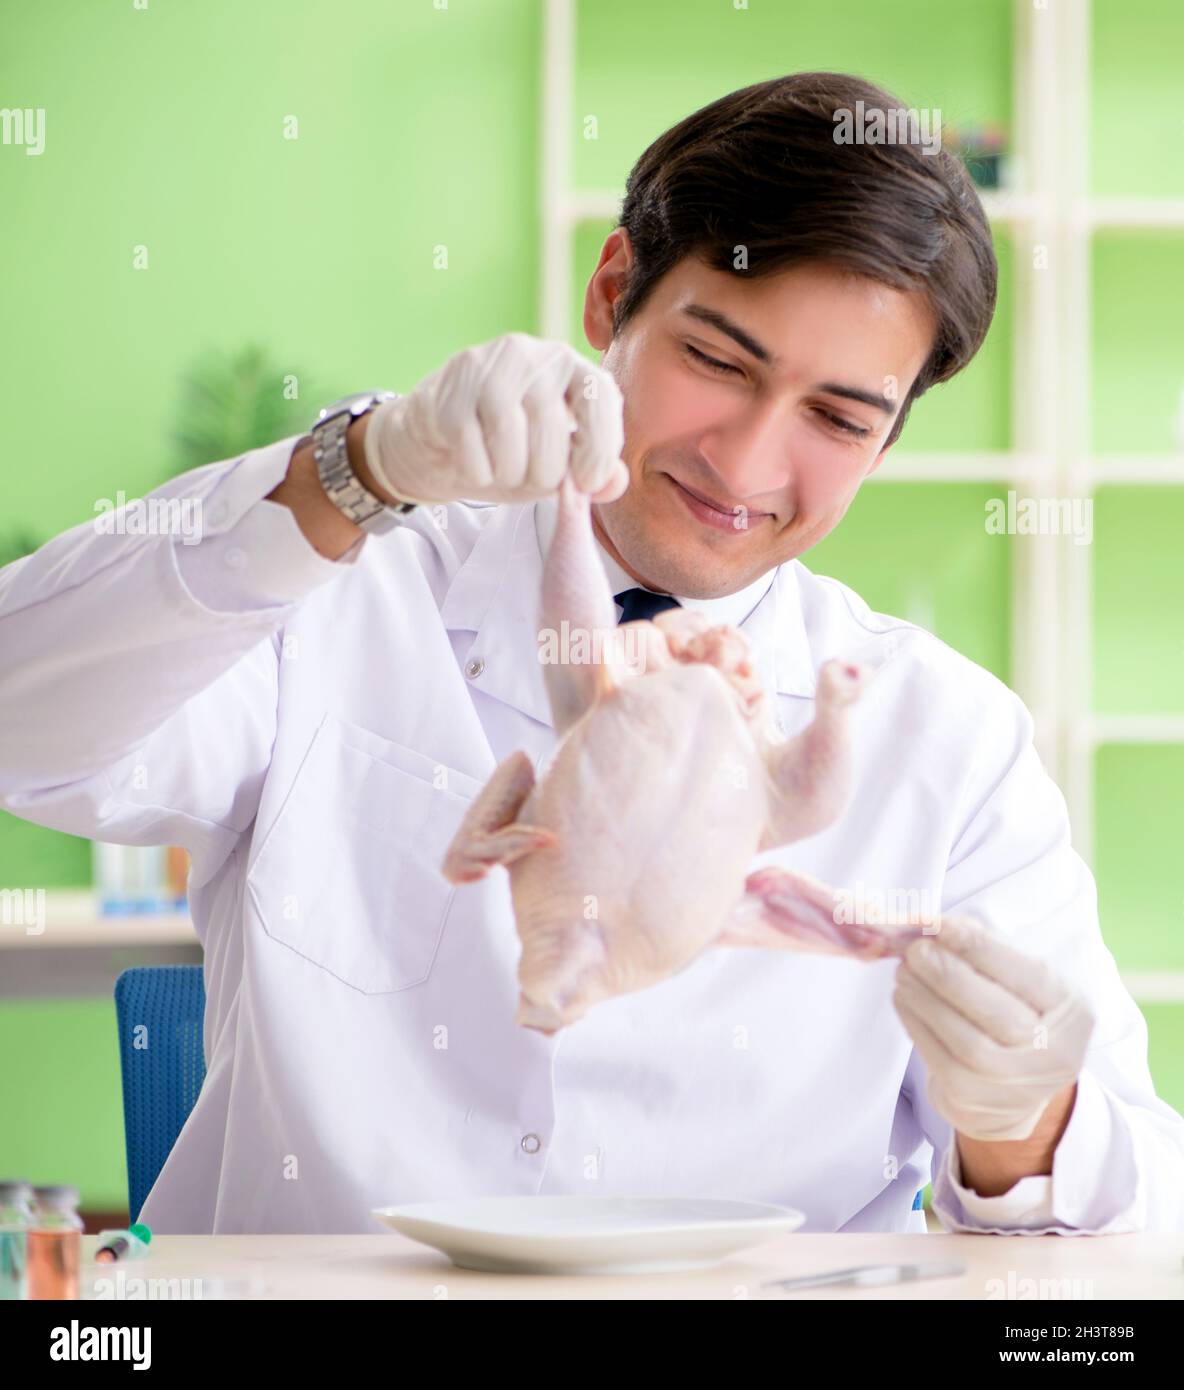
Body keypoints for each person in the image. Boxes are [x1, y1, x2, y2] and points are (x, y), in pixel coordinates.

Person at [2, 71, 1181, 1235]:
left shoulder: (944, 741)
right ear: (612, 292)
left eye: (836, 418)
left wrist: (1019, 1125)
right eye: (719, 360)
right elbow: (22, 722)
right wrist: (358, 471)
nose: (747, 462)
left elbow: (1139, 1203)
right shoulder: (349, 588)